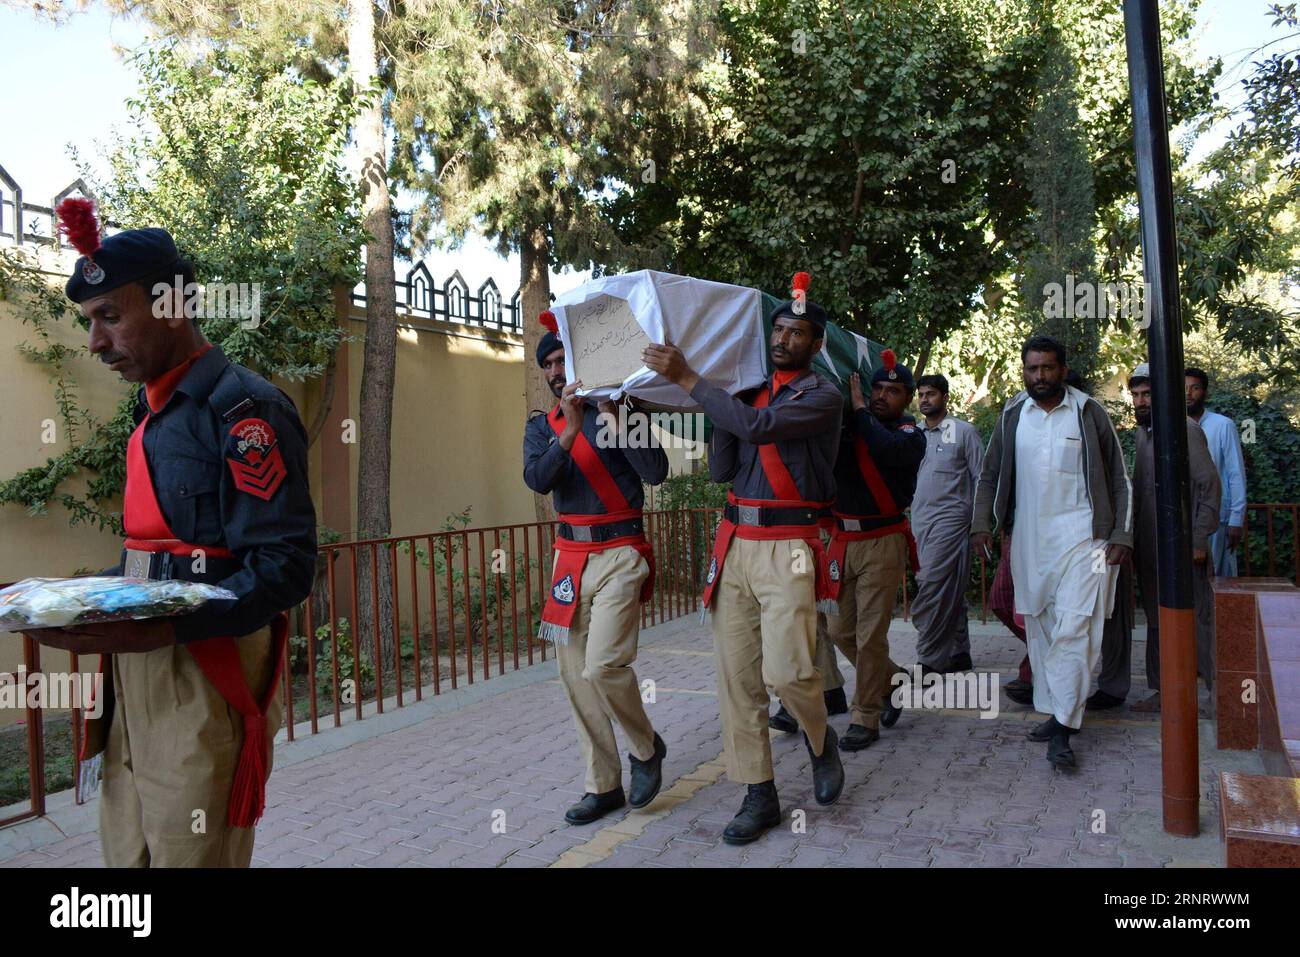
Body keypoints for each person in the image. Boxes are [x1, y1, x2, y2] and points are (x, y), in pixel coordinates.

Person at [28, 200, 317, 866]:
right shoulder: (151, 417)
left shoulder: (244, 412)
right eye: (90, 322)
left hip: (204, 681)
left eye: (109, 316)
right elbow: (155, 559)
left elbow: (284, 565)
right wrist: (69, 597)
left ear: (171, 307)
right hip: (131, 683)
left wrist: (164, 627)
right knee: (126, 858)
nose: (96, 342)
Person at [642, 272, 845, 845]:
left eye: (797, 332)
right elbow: (722, 470)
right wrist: (718, 401)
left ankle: (820, 738)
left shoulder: (822, 395)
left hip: (790, 549)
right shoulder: (748, 390)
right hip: (735, 544)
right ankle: (759, 792)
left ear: (817, 342)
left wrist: (689, 379)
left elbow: (759, 428)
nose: (784, 339)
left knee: (790, 671)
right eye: (778, 329)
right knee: (737, 680)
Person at [523, 311, 669, 825]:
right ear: (545, 374)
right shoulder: (542, 427)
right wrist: (571, 433)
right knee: (575, 678)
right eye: (551, 364)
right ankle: (602, 784)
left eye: (566, 358)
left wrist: (614, 417)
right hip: (569, 560)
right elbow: (538, 481)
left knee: (603, 665)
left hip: (621, 553)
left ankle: (646, 748)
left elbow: (656, 471)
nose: (558, 369)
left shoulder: (620, 411)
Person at [971, 335, 1132, 769]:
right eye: (1031, 369)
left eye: (1046, 368)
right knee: (1041, 627)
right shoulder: (1012, 414)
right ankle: (1056, 708)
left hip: (1086, 538)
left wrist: (1121, 533)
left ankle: (1063, 726)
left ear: (1062, 369)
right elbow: (989, 475)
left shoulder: (1087, 411)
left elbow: (1119, 476)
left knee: (1076, 627)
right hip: (1028, 538)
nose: (1038, 376)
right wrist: (982, 525)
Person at [1128, 363, 1221, 712]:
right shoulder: (1142, 433)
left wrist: (1198, 540)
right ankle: (1162, 692)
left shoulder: (1185, 429)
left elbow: (1209, 487)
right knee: (1156, 620)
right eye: (1136, 395)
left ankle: (1215, 696)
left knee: (1197, 621)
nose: (1140, 401)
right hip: (1150, 546)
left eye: (1147, 393)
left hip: (1184, 548)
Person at [909, 373, 982, 674]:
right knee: (948, 590)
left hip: (952, 522)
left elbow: (981, 478)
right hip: (919, 523)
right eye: (921, 394)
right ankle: (959, 652)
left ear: (945, 397)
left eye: (931, 394)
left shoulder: (964, 432)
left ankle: (929, 659)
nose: (925, 399)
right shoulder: (912, 434)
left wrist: (979, 525)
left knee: (929, 586)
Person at [1185, 368, 1247, 578]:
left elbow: (1235, 472)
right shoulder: (1170, 426)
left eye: (1195, 388)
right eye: (1184, 388)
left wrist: (1236, 519)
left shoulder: (1222, 425)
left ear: (1205, 392)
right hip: (1184, 519)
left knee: (1218, 579)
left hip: (1217, 518)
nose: (1188, 393)